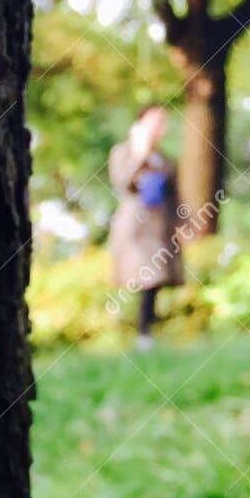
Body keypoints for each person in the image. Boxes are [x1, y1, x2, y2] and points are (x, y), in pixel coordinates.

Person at [108, 103, 183, 349]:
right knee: (145, 277)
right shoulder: (124, 152)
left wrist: (181, 223)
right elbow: (122, 182)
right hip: (135, 230)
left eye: (163, 122)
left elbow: (174, 196)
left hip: (159, 228)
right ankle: (141, 332)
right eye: (155, 120)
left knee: (156, 279)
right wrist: (139, 155)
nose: (159, 127)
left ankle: (146, 331)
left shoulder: (165, 159)